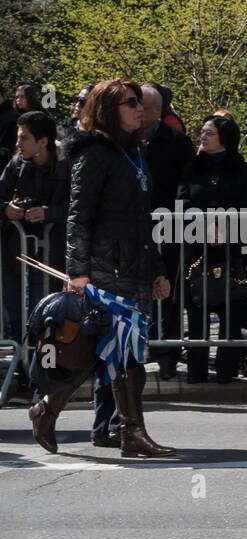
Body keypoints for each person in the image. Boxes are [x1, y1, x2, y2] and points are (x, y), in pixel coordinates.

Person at [51, 78, 175, 458]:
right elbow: (78, 217)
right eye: (131, 102)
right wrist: (77, 272)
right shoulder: (94, 154)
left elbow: (142, 220)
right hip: (105, 270)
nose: (140, 108)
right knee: (126, 354)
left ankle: (54, 411)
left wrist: (157, 270)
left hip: (134, 266)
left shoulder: (134, 152)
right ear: (109, 110)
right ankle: (130, 433)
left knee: (112, 353)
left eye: (140, 101)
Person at [177, 113, 247, 384]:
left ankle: (226, 370)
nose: (203, 137)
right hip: (196, 249)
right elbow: (183, 202)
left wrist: (223, 229)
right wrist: (204, 226)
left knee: (230, 310)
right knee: (197, 311)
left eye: (209, 133)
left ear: (224, 138)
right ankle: (196, 370)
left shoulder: (242, 170)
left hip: (230, 250)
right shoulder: (192, 167)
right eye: (202, 132)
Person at [140, 82, 194, 380]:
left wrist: (174, 213)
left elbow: (185, 185)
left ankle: (168, 354)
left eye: (143, 107)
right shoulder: (127, 139)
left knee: (167, 291)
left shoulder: (176, 141)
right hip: (134, 226)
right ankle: (144, 344)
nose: (138, 111)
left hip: (168, 227)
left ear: (157, 111)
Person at [2, 112, 68, 343]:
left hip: (49, 257)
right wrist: (6, 209)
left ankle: (42, 367)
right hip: (14, 253)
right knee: (14, 314)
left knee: (44, 314)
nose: (18, 143)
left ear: (43, 141)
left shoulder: (65, 167)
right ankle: (22, 366)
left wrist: (49, 213)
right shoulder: (16, 165)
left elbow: (79, 207)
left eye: (24, 138)